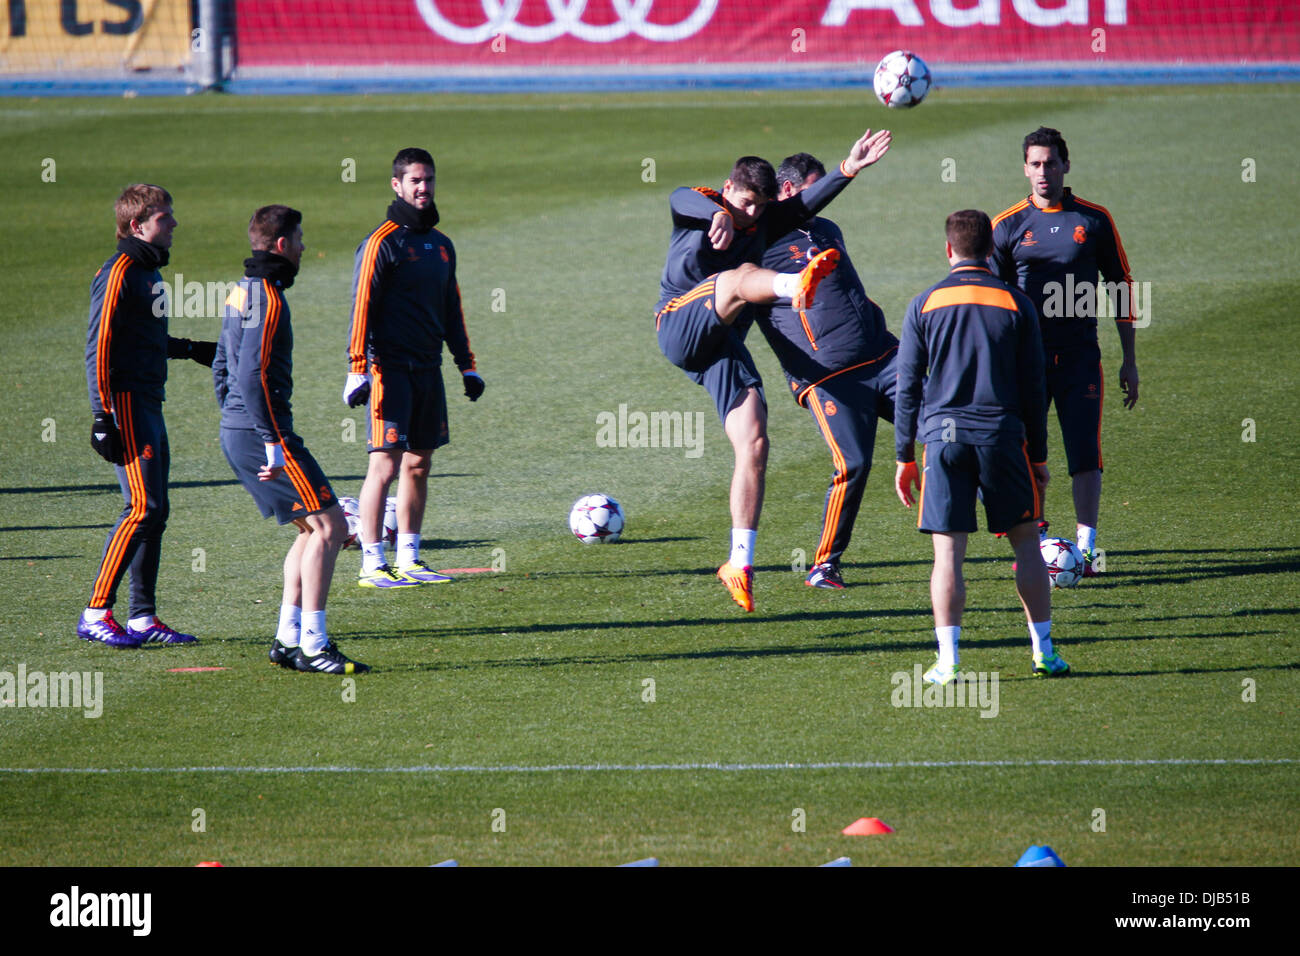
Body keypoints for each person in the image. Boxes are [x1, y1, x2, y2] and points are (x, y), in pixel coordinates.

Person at [655, 129, 892, 611]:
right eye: (743, 202)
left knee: (755, 438)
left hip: (719, 345)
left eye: (759, 206)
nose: (750, 213)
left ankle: (738, 563)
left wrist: (848, 168)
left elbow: (803, 204)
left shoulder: (762, 221)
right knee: (738, 279)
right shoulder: (705, 204)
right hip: (678, 322)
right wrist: (720, 212)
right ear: (728, 187)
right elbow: (679, 196)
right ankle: (792, 284)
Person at [894, 209, 1068, 683]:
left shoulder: (922, 304)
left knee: (947, 556)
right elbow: (1035, 386)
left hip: (943, 441)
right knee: (1027, 547)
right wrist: (1038, 456)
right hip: (1002, 437)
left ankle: (948, 661)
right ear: (991, 250)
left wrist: (903, 456)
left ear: (949, 249)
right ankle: (1044, 652)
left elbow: (907, 386)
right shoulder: (1017, 303)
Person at [214, 205, 368, 674]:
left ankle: (286, 638)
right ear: (281, 244)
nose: (303, 247)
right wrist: (270, 442)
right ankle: (315, 645)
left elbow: (223, 367)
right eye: (299, 239)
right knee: (331, 527)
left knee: (309, 528)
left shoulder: (241, 292)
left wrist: (236, 423)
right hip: (266, 436)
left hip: (242, 431)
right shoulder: (268, 299)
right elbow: (252, 374)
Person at [992, 126, 1139, 575]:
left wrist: (1129, 358)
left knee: (1084, 453)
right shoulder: (1007, 225)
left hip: (1079, 358)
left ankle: (1087, 548)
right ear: (1024, 168)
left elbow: (1122, 288)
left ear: (1066, 165)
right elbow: (989, 298)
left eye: (1050, 163)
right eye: (1034, 164)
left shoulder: (1093, 220)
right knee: (1025, 452)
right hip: (1025, 364)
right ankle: (1034, 541)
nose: (1042, 172)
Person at [754, 153, 900, 589]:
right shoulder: (758, 243)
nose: (821, 199)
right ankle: (824, 565)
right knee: (852, 465)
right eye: (814, 190)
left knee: (952, 424)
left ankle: (1021, 525)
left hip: (885, 358)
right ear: (786, 192)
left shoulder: (826, 229)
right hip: (828, 377)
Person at [78, 184, 214, 648]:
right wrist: (102, 416)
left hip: (149, 400)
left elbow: (144, 339)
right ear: (137, 225)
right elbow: (99, 347)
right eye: (164, 217)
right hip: (127, 403)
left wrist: (191, 349)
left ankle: (142, 617)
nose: (174, 224)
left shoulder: (147, 272)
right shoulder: (120, 271)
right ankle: (96, 611)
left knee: (157, 511)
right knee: (143, 508)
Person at [343, 147, 483, 589]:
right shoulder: (382, 241)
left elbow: (450, 308)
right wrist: (358, 368)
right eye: (414, 181)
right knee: (384, 465)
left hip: (428, 369)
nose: (423, 188)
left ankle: (410, 558)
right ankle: (371, 563)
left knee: (419, 464)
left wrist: (466, 366)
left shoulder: (441, 245)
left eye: (428, 180)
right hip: (388, 370)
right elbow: (360, 304)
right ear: (396, 185)